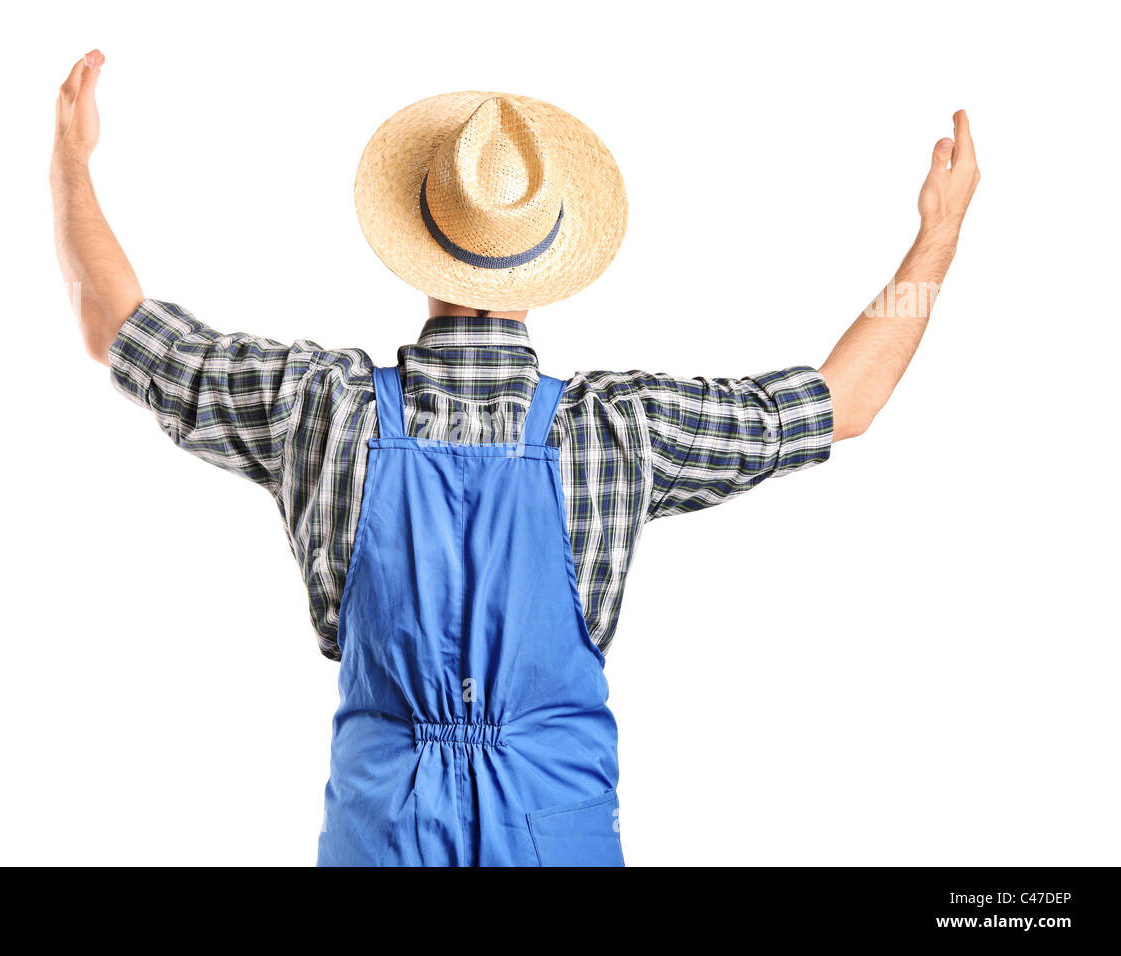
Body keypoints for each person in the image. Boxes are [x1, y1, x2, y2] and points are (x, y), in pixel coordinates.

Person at [50, 50, 979, 866]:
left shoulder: (318, 409)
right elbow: (843, 403)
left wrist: (72, 167)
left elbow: (118, 329)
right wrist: (936, 235)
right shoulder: (619, 426)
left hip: (384, 834)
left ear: (417, 252)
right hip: (555, 830)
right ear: (547, 259)